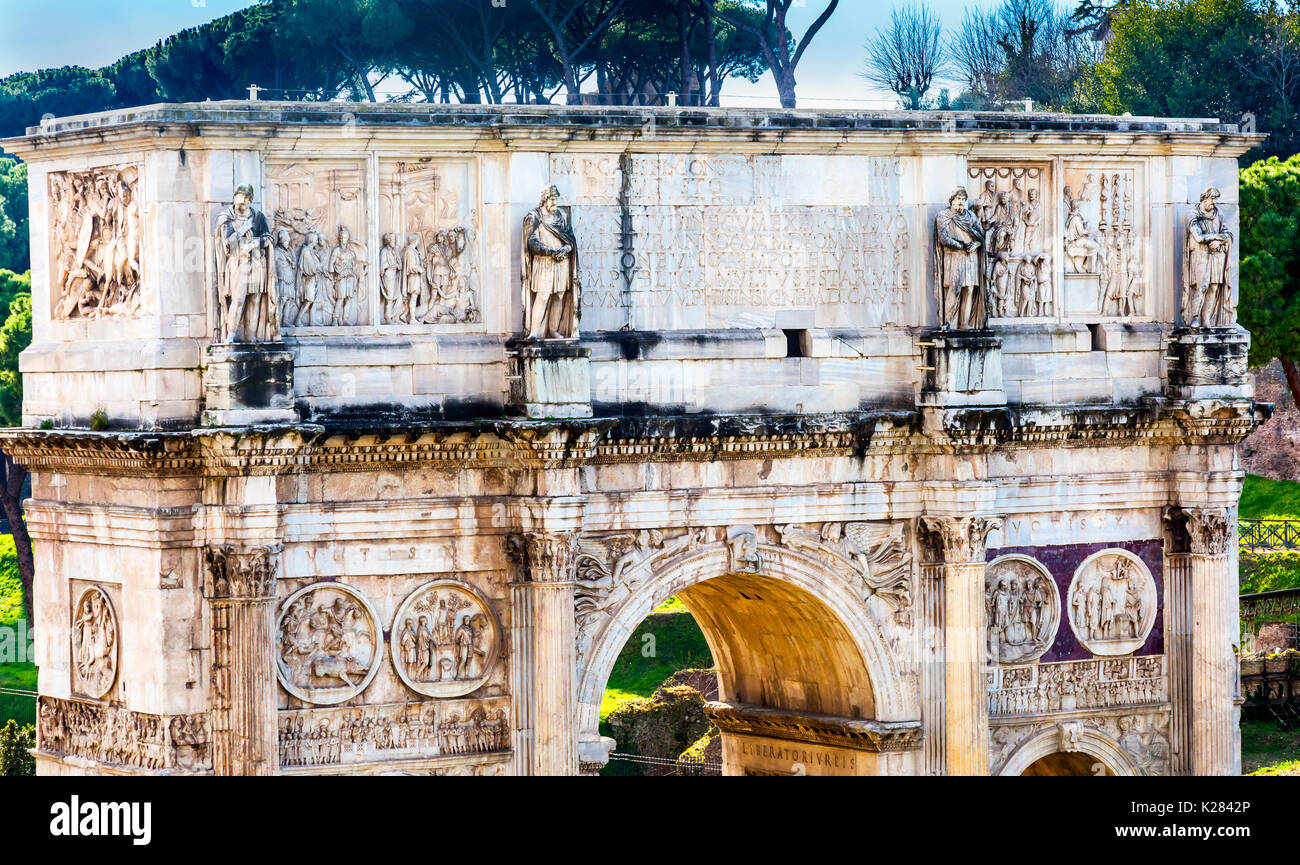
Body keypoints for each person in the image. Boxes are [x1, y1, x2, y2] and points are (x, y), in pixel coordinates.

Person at [213, 184, 278, 342]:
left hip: (257, 262)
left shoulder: (258, 217)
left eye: (244, 199)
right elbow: (228, 244)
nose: (240, 202)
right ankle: (231, 334)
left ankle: (251, 335)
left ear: (250, 200)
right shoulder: (226, 218)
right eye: (238, 198)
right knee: (239, 299)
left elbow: (269, 238)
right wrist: (243, 229)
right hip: (238, 263)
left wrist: (254, 244)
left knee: (255, 299)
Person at [521, 185, 580, 339]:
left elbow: (571, 239)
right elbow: (531, 243)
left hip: (562, 262)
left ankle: (553, 330)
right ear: (545, 199)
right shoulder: (534, 217)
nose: (555, 202)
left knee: (560, 295)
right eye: (552, 199)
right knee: (543, 295)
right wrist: (551, 252)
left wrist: (566, 249)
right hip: (544, 262)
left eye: (556, 199)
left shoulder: (561, 217)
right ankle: (534, 331)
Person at [933, 187, 986, 329]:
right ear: (952, 200)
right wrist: (962, 246)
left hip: (971, 257)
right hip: (954, 257)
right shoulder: (944, 216)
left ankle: (964, 323)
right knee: (954, 289)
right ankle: (948, 322)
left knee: (969, 289)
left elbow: (981, 234)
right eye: (958, 199)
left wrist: (977, 243)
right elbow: (944, 238)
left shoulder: (970, 216)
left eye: (963, 199)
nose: (961, 202)